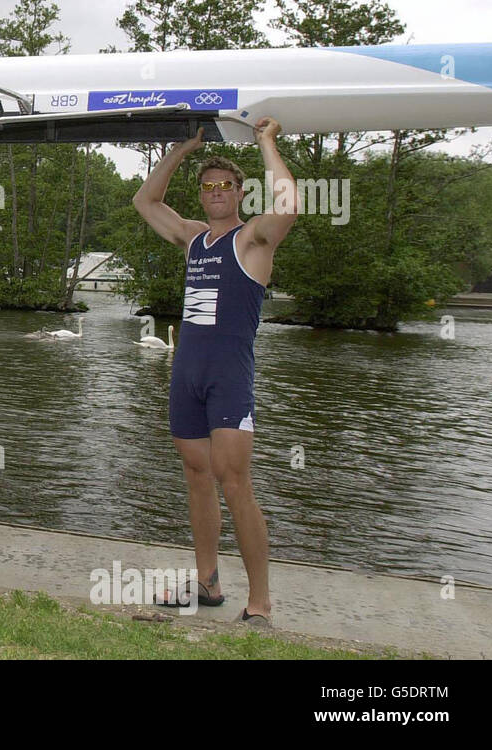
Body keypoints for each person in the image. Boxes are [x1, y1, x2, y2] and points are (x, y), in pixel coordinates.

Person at [132, 117, 298, 626]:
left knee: (234, 480)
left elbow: (288, 204)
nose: (217, 192)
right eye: (209, 188)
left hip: (228, 375)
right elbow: (145, 202)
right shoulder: (193, 238)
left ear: (242, 193)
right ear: (202, 196)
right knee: (197, 476)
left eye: (226, 185)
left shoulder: (253, 241)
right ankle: (207, 583)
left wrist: (267, 142)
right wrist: (181, 150)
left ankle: (261, 602)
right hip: (186, 374)